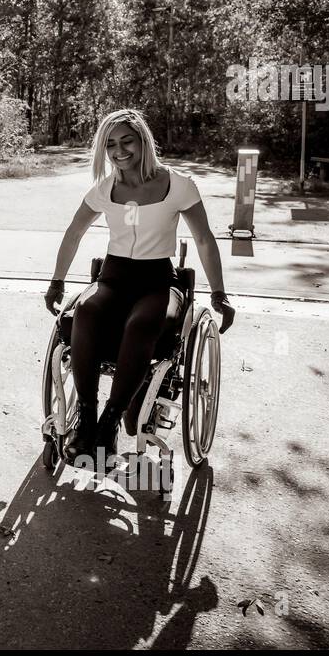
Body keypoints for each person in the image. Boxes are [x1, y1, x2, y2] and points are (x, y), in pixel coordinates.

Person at [44, 109, 234, 462]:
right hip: (114, 277)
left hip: (156, 280)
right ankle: (87, 418)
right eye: (110, 144)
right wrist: (57, 281)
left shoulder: (179, 185)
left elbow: (204, 240)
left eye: (127, 141)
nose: (119, 151)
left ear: (143, 140)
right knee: (85, 309)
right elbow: (74, 232)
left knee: (143, 323)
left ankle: (110, 422)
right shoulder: (105, 189)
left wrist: (219, 293)